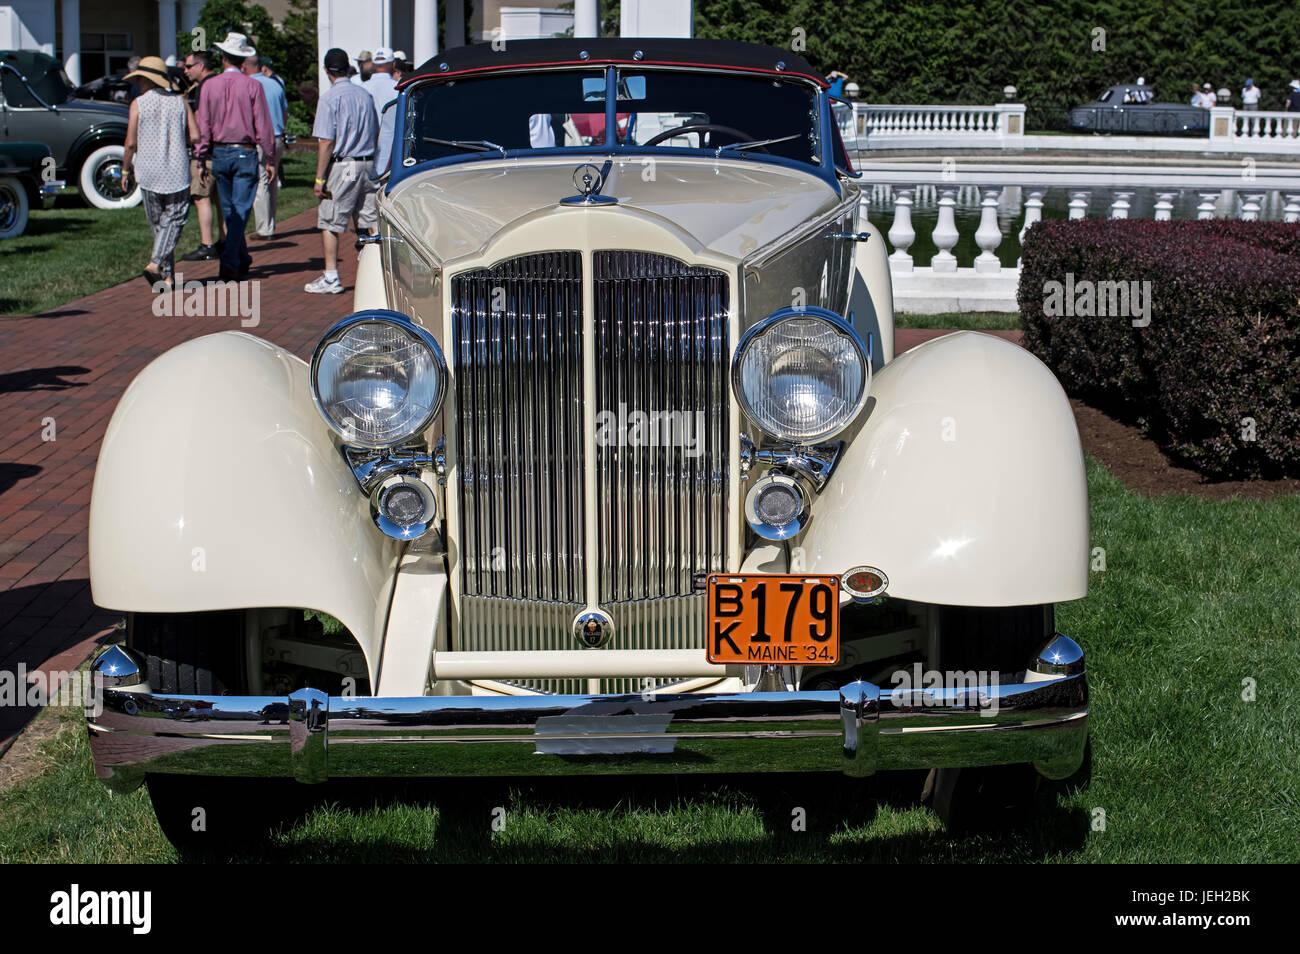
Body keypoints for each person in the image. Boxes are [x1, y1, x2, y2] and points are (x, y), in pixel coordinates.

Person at [195, 32, 276, 281]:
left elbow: (203, 123)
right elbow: (263, 124)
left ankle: (240, 258)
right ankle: (231, 261)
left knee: (232, 211)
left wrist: (201, 157)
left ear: (222, 58)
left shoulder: (209, 85)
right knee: (238, 211)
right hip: (245, 152)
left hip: (220, 151)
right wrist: (270, 157)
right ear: (242, 60)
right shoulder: (253, 85)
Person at [305, 48, 379, 294]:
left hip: (345, 164)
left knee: (330, 220)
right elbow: (375, 131)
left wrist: (319, 177)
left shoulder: (329, 98)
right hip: (368, 163)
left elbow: (326, 142)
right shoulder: (365, 95)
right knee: (370, 220)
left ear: (326, 70)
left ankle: (330, 276)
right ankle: (378, 269)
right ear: (348, 68)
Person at [122, 56, 197, 291]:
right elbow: (195, 136)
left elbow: (130, 143)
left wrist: (125, 169)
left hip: (148, 171)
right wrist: (179, 139)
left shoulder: (138, 104)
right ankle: (157, 266)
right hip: (176, 170)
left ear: (144, 79)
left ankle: (166, 276)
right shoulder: (180, 101)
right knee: (172, 223)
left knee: (159, 226)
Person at [180, 50, 223, 261]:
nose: (185, 70)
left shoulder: (204, 86)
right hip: (224, 149)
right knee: (220, 199)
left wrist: (197, 146)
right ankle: (225, 240)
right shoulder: (222, 82)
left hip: (206, 152)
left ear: (201, 66)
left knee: (201, 196)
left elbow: (200, 118)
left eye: (189, 66)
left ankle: (207, 245)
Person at [245, 53, 288, 237]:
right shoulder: (276, 84)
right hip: (278, 136)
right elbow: (285, 112)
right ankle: (270, 223)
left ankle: (264, 228)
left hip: (261, 138)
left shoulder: (249, 85)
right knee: (272, 179)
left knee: (261, 180)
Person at [365, 47, 399, 175]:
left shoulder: (361, 87)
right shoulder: (398, 88)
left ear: (374, 65)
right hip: (390, 151)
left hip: (365, 150)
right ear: (393, 64)